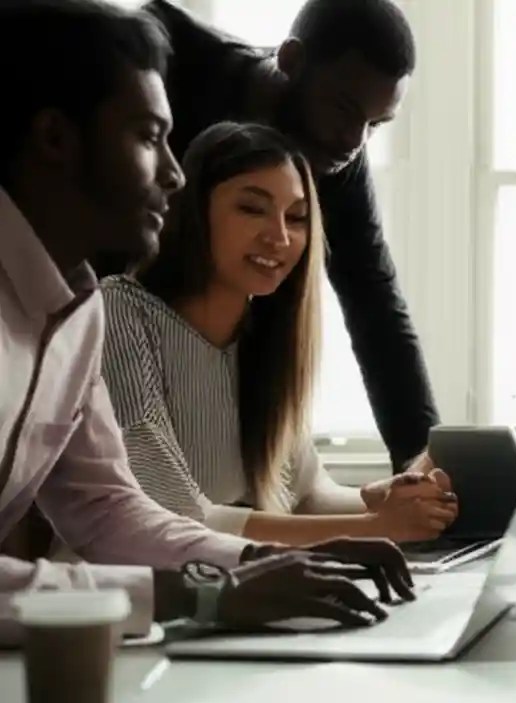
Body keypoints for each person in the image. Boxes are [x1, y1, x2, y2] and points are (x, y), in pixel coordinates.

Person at [0, 0, 414, 644]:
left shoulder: (77, 312)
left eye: (297, 217)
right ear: (55, 139)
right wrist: (201, 594)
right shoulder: (115, 310)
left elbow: (106, 507)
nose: (174, 175)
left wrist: (255, 563)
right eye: (148, 138)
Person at [92, 0, 437, 472]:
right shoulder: (161, 63)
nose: (355, 142)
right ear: (291, 60)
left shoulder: (339, 154)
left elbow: (377, 309)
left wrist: (426, 469)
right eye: (345, 109)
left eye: (375, 125)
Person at [100, 121, 458, 546]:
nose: (280, 237)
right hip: (112, 582)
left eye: (297, 217)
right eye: (252, 209)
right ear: (194, 210)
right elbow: (177, 514)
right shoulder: (119, 309)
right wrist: (374, 527)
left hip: (221, 580)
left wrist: (379, 500)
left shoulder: (263, 341)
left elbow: (307, 497)